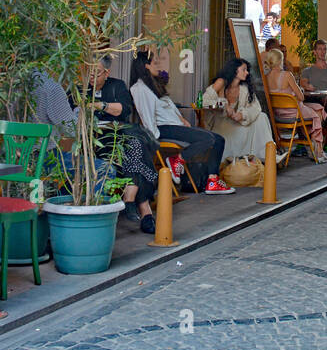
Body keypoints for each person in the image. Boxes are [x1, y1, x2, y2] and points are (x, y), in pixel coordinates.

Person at [130, 50, 235, 193]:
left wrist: (182, 119)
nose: (158, 65)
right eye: (155, 63)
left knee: (219, 139)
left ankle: (212, 181)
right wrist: (153, 140)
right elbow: (147, 115)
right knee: (208, 139)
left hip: (174, 125)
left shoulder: (153, 84)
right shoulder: (139, 88)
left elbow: (169, 105)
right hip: (163, 128)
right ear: (146, 66)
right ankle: (176, 160)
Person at [88, 57, 160, 234]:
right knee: (137, 150)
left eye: (96, 73)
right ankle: (144, 211)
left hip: (121, 134)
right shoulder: (80, 90)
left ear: (107, 73)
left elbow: (124, 109)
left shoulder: (116, 85)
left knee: (134, 145)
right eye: (88, 72)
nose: (91, 77)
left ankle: (130, 200)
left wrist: (100, 106)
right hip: (98, 141)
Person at [202, 57, 275, 164]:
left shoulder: (244, 88)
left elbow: (256, 107)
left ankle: (267, 156)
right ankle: (245, 159)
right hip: (221, 122)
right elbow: (205, 101)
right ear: (234, 70)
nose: (247, 72)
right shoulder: (221, 82)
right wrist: (224, 105)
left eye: (247, 70)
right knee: (241, 129)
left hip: (237, 122)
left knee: (262, 117)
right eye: (244, 69)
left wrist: (242, 115)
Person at [263, 47, 327, 162]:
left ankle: (310, 145)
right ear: (280, 61)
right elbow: (301, 97)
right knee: (318, 112)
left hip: (278, 114)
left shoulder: (266, 78)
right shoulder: (287, 75)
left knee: (317, 108)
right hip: (294, 113)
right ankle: (317, 149)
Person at [300, 39, 327, 133]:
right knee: (301, 109)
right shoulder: (307, 71)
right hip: (312, 100)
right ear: (314, 52)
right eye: (320, 49)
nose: (323, 52)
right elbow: (302, 84)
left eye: (325, 49)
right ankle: (305, 140)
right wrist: (307, 86)